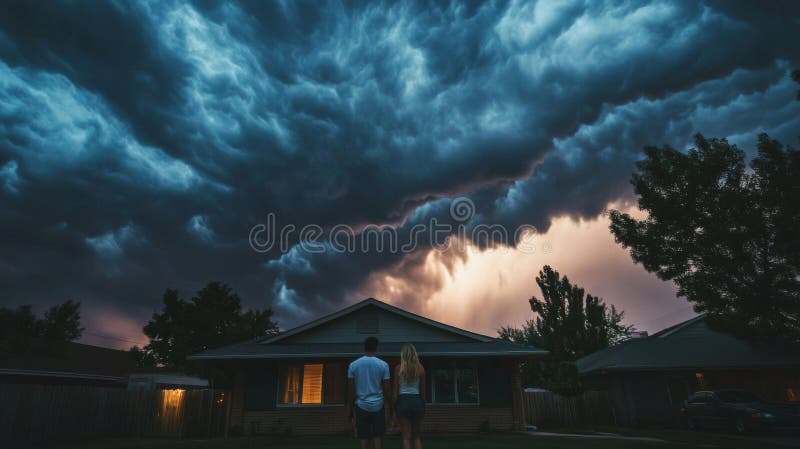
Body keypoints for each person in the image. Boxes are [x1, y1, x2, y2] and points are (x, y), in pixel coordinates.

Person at [346, 336, 391, 449]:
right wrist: (391, 406)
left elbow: (351, 391)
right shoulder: (383, 365)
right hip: (378, 405)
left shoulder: (353, 365)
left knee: (364, 437)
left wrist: (350, 410)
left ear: (364, 347)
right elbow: (387, 389)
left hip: (361, 405)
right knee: (377, 436)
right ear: (376, 348)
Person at [393, 343, 425, 449]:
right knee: (416, 437)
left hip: (403, 401)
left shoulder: (398, 368)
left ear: (403, 355)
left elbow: (395, 391)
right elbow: (423, 391)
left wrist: (394, 406)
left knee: (406, 437)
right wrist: (423, 406)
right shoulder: (420, 368)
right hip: (416, 401)